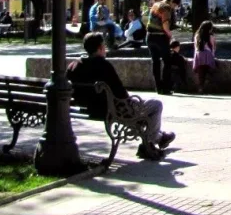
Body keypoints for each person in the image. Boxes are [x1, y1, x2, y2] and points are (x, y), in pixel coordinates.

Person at [67, 31, 175, 160]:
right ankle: (150, 144)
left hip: (89, 109)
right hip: (112, 110)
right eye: (104, 45)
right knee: (156, 105)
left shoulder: (73, 66)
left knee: (143, 109)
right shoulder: (103, 66)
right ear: (100, 47)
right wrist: (132, 103)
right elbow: (121, 93)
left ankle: (160, 137)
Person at [146, 0, 179, 95]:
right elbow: (165, 26)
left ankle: (158, 87)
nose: (174, 7)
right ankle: (166, 88)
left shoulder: (156, 4)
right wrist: (171, 36)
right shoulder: (166, 8)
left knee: (155, 62)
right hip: (160, 38)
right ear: (171, 1)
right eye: (175, 5)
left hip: (149, 37)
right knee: (167, 62)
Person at [192, 20, 217, 93]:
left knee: (201, 71)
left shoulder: (197, 35)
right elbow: (213, 48)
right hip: (208, 55)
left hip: (199, 54)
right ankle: (210, 86)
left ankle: (201, 87)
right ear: (209, 28)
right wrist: (213, 56)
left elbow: (195, 47)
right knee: (209, 69)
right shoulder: (211, 36)